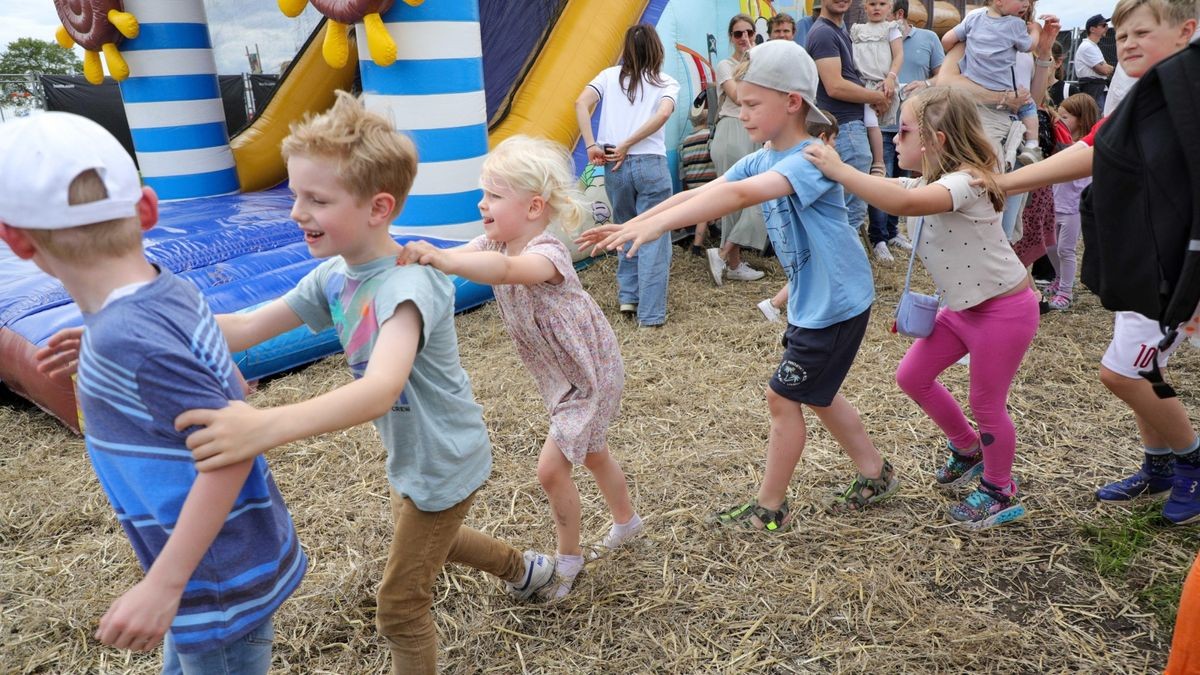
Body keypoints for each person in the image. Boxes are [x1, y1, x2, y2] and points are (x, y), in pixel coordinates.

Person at [170, 92, 556, 674]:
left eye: (317, 199)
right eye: (296, 194)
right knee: (438, 540)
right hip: (415, 457)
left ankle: (527, 571)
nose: (297, 212)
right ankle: (527, 570)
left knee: (399, 605)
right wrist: (151, 325)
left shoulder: (407, 286)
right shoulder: (335, 276)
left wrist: (263, 426)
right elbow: (248, 325)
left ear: (378, 207)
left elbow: (379, 389)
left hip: (445, 459)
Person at [2, 113, 307, 670]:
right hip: (224, 562)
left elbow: (230, 451)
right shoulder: (168, 288)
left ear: (15, 240)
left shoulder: (128, 338)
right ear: (146, 208)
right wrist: (99, 347)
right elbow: (230, 384)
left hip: (215, 581)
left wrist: (163, 587)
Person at [579, 40, 898, 528]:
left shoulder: (809, 158)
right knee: (817, 393)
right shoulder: (766, 155)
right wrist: (634, 224)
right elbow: (708, 189)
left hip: (836, 302)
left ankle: (769, 508)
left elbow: (740, 195)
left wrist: (658, 227)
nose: (741, 114)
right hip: (817, 301)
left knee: (783, 396)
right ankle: (875, 472)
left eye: (751, 104)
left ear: (792, 102)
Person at [397, 135, 642, 600]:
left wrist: (447, 259)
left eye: (493, 194)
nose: (482, 202)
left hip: (590, 377)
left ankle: (568, 562)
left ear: (533, 208)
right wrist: (420, 256)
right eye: (483, 192)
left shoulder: (546, 254)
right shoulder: (494, 241)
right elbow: (465, 257)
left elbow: (506, 272)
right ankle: (628, 522)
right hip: (565, 378)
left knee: (551, 471)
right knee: (593, 454)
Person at [995, 0, 1200, 525]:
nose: (1126, 42)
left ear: (1187, 32)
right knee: (1144, 366)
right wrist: (1003, 183)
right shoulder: (1145, 93)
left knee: (1121, 373)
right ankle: (1159, 465)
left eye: (1142, 32)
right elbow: (1093, 147)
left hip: (1176, 270)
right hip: (1145, 262)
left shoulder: (1189, 95)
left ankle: (1193, 463)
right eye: (1121, 33)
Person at [805, 86, 1039, 529]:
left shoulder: (965, 182)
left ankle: (999, 488)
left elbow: (905, 202)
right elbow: (896, 189)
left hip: (1003, 311)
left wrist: (840, 170)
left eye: (905, 130)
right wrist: (835, 168)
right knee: (912, 376)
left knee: (987, 402)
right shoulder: (930, 181)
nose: (895, 138)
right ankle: (967, 448)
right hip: (962, 308)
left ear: (938, 140)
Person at [575, 23, 679, 325]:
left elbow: (581, 102)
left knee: (623, 229)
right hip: (649, 164)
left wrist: (591, 144)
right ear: (657, 50)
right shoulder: (666, 82)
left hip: (613, 164)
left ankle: (628, 299)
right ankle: (651, 315)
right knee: (654, 236)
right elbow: (662, 115)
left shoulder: (608, 77)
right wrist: (629, 144)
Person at [866, 0, 944, 262]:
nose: (880, 11)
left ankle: (892, 231)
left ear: (898, 14)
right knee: (882, 177)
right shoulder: (876, 37)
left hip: (915, 124)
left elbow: (943, 74)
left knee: (905, 179)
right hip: (883, 121)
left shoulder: (929, 38)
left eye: (885, 6)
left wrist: (927, 82)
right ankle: (877, 237)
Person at [807, 0, 893, 238]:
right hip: (844, 126)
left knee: (848, 206)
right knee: (850, 210)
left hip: (849, 125)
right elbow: (834, 86)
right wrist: (877, 97)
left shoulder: (840, 30)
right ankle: (841, 264)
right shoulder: (824, 33)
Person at [757, 111, 840, 323]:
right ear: (822, 138)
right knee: (809, 270)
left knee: (806, 272)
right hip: (810, 241)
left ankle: (777, 304)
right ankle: (774, 304)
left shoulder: (773, 159)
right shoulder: (811, 167)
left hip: (787, 240)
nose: (836, 145)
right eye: (834, 139)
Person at [705, 14, 769, 285]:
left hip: (753, 132)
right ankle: (729, 260)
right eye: (738, 34)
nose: (744, 38)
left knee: (755, 199)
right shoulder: (725, 65)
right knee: (737, 200)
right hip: (731, 130)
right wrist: (750, 63)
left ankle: (726, 257)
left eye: (748, 33)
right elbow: (737, 96)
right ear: (731, 37)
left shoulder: (760, 63)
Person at [941, 0, 1044, 168]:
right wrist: (1036, 31)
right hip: (998, 102)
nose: (1026, 4)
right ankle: (1032, 144)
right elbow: (1030, 45)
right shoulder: (1015, 25)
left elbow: (946, 40)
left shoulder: (973, 20)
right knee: (1028, 105)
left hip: (978, 94)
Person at [1042, 93, 1099, 311]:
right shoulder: (1063, 142)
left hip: (1074, 206)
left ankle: (1066, 292)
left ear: (1082, 119)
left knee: (1066, 249)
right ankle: (1059, 279)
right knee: (1050, 246)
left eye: (1066, 117)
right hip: (1056, 202)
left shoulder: (1084, 148)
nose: (1061, 121)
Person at [851, 0, 904, 187]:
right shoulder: (857, 30)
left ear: (890, 7)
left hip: (880, 82)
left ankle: (879, 162)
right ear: (864, 7)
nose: (877, 8)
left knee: (871, 121)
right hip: (860, 81)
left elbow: (898, 55)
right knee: (862, 123)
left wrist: (890, 77)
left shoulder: (891, 28)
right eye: (872, 3)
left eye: (882, 4)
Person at [1074, 13, 1115, 107]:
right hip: (1093, 89)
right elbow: (1104, 70)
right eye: (1103, 25)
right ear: (1092, 29)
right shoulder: (1088, 46)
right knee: (1097, 119)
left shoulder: (1092, 46)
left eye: (1107, 25)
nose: (1107, 27)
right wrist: (1112, 68)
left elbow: (1104, 68)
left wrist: (1107, 67)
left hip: (1097, 88)